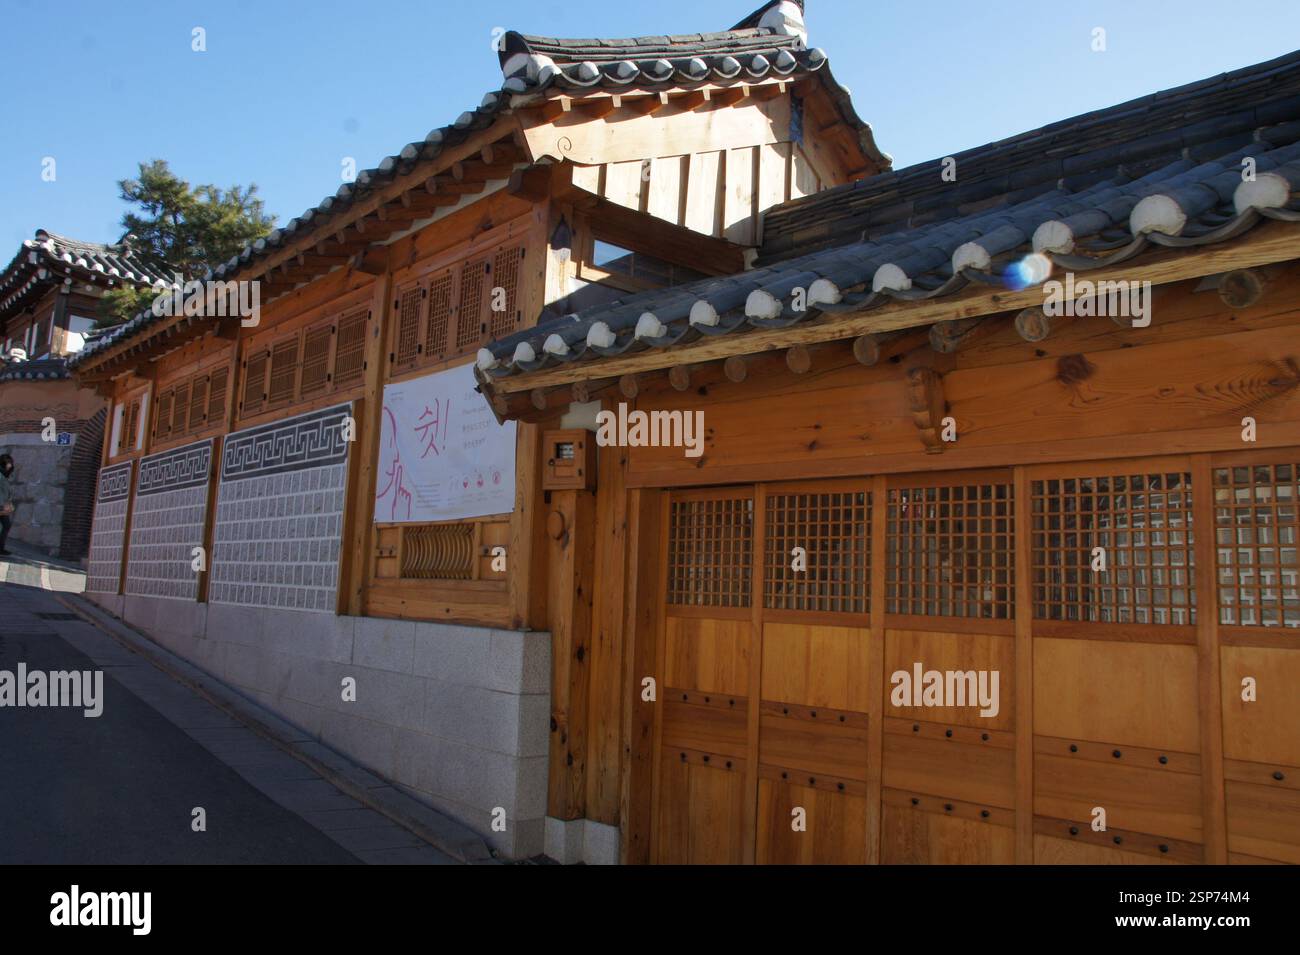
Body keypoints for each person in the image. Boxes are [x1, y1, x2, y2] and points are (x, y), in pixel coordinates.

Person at [0, 453, 15, 556]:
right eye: (8, 463)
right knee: (6, 525)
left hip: (2, 505)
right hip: (0, 505)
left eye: (10, 463)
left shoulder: (4, 475)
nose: (10, 465)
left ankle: (1, 548)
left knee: (6, 525)